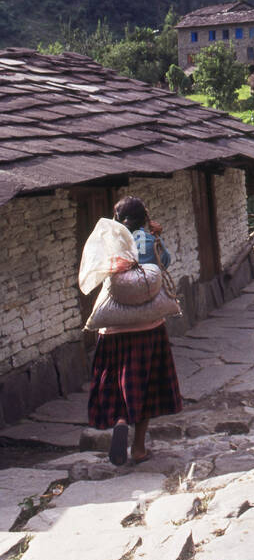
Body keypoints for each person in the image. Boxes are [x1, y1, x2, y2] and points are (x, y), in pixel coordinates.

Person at [87, 196, 183, 466]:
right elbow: (165, 261)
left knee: (118, 381)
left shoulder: (110, 242)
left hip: (113, 327)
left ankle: (119, 420)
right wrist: (155, 236)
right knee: (146, 384)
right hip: (148, 327)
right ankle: (139, 448)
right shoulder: (150, 240)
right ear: (145, 217)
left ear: (118, 220)